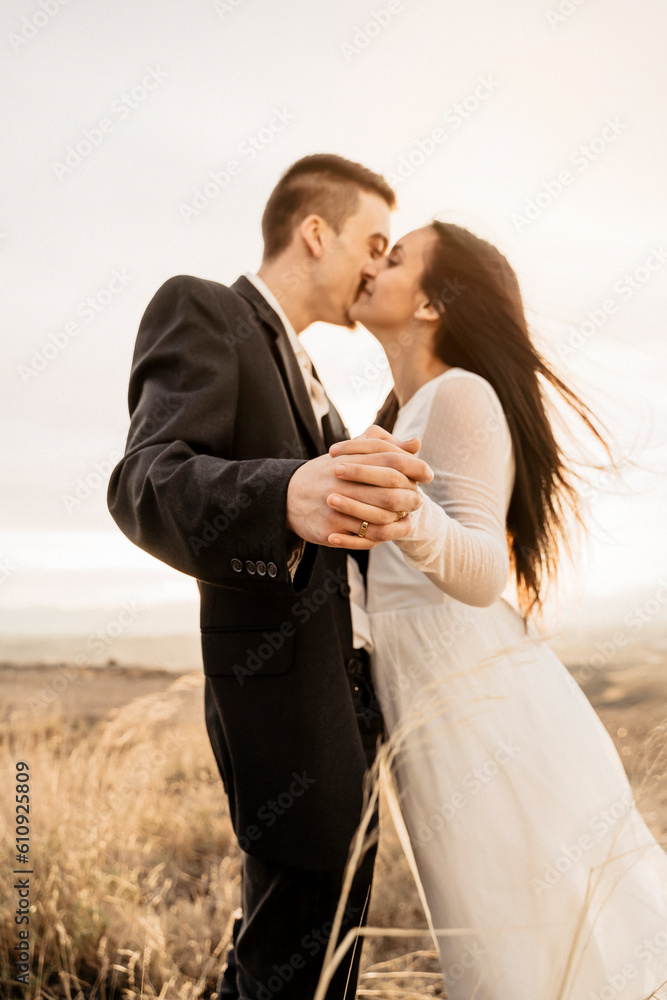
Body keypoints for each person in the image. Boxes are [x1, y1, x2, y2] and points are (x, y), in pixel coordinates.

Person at [106, 154, 435, 1000]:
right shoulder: (204, 309)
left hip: (349, 696)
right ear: (315, 233)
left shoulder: (310, 368)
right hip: (282, 708)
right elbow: (144, 479)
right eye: (373, 241)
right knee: (289, 956)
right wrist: (284, 490)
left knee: (326, 946)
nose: (376, 264)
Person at [326, 221, 667, 999]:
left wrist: (400, 511)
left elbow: (481, 570)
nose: (375, 264)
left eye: (396, 256)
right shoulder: (407, 412)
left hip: (485, 717)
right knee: (497, 933)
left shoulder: (460, 392)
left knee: (523, 932)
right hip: (437, 711)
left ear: (433, 303)